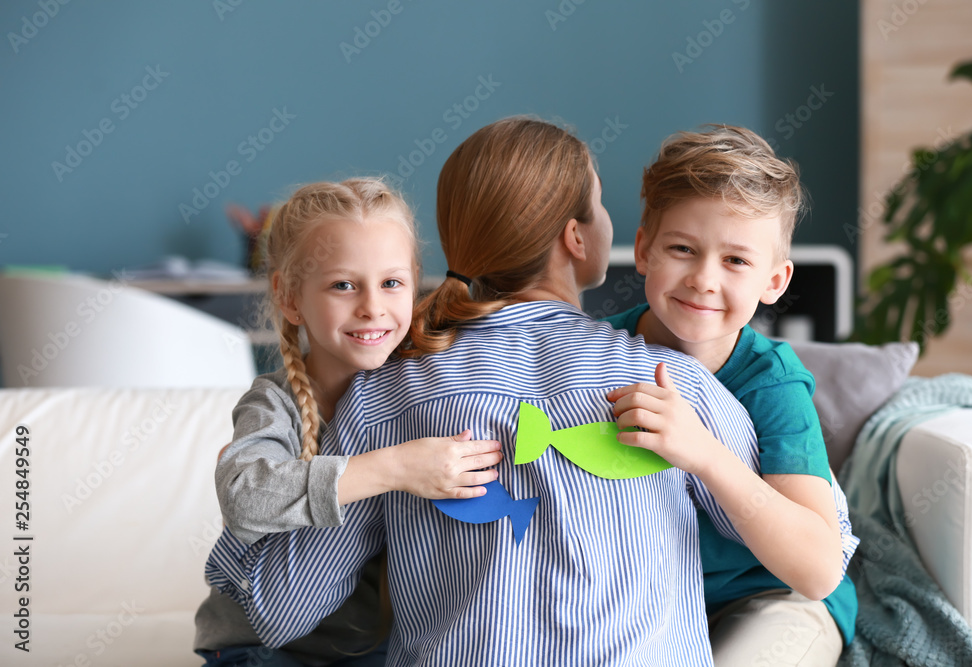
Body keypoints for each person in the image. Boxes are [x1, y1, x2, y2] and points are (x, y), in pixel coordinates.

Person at [204, 116, 846, 665]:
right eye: (599, 207)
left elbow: (280, 609)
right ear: (578, 237)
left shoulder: (382, 395)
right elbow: (821, 555)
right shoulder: (672, 385)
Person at [194, 179, 503, 667]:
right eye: (343, 284)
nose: (372, 306)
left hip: (373, 647)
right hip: (261, 646)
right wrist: (397, 467)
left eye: (392, 283)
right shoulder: (274, 403)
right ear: (290, 296)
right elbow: (245, 495)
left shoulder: (425, 395)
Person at [603, 125, 859, 665]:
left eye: (736, 261)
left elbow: (816, 568)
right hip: (648, 602)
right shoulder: (597, 353)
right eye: (682, 249)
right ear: (645, 249)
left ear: (775, 280)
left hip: (771, 598)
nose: (703, 279)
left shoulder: (772, 384)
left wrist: (704, 452)